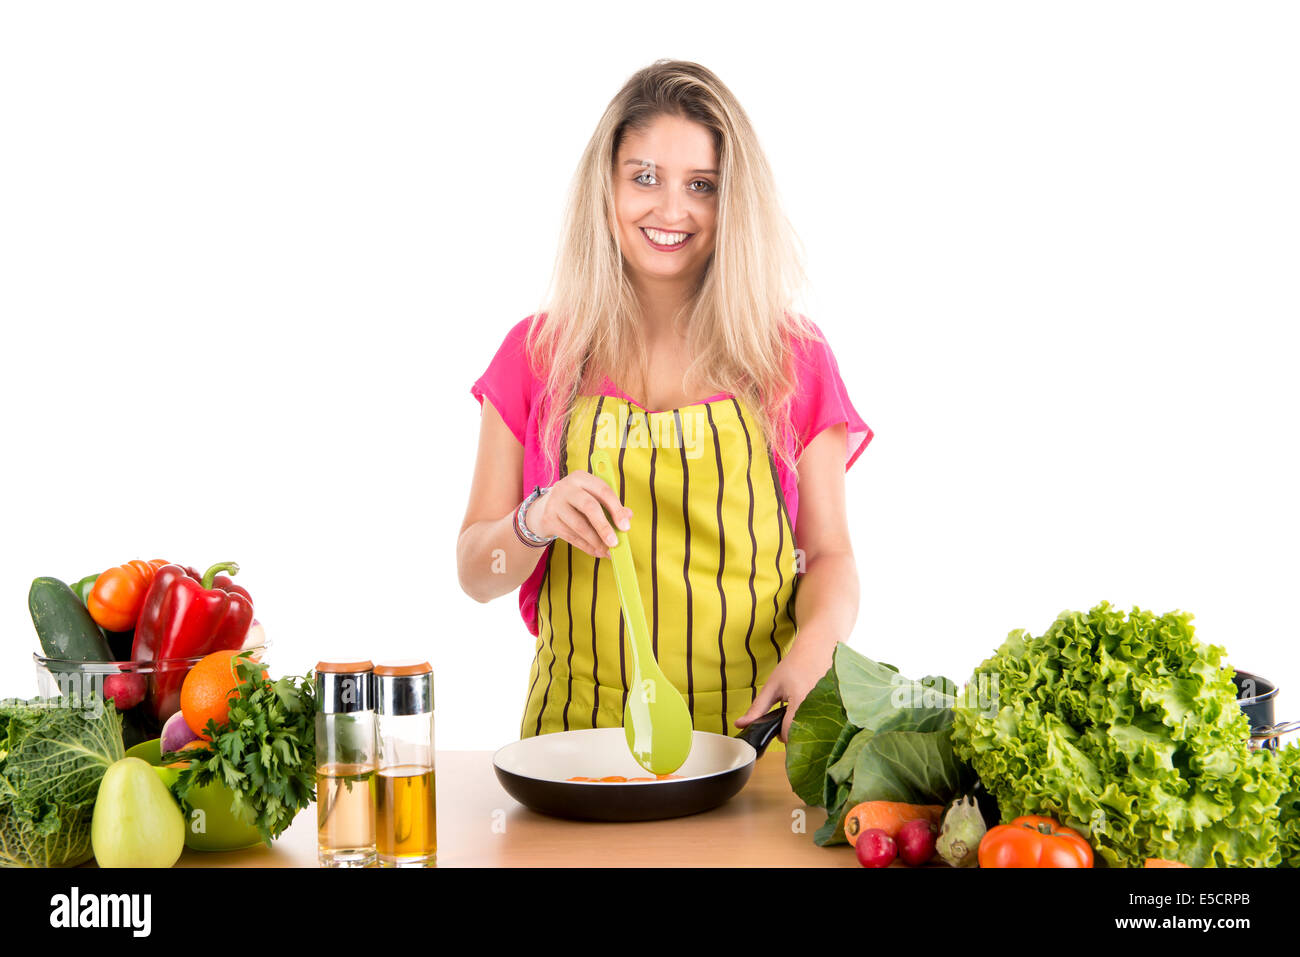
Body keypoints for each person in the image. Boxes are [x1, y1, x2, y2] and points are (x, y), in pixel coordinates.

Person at [458, 60, 872, 744]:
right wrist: (535, 519)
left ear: (732, 201)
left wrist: (815, 650)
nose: (670, 209)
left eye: (702, 186)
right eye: (643, 176)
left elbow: (828, 555)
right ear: (608, 185)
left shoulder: (791, 358)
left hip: (754, 742)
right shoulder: (536, 354)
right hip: (573, 748)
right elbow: (478, 570)